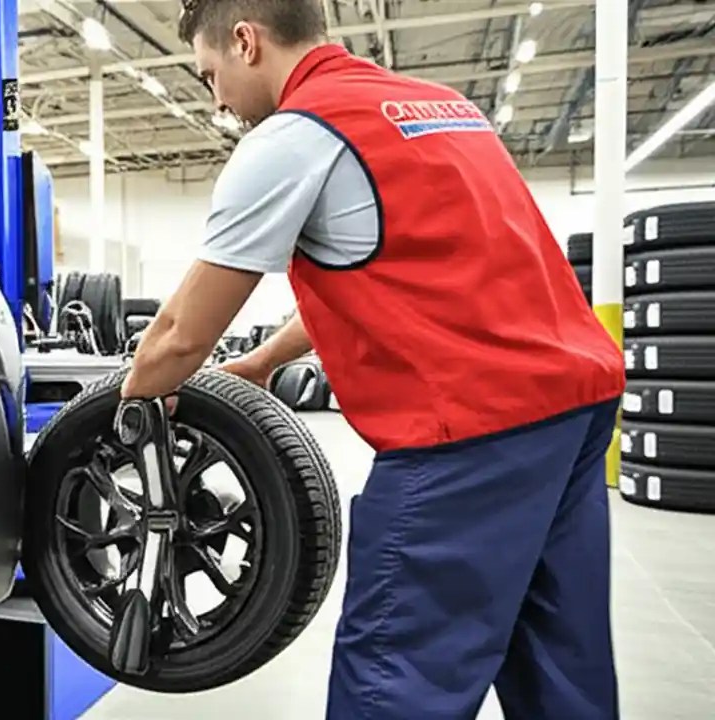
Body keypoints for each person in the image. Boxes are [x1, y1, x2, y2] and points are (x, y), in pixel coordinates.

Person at [119, 0, 626, 717]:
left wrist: (131, 402)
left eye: (210, 75)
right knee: (560, 666)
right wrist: (265, 361)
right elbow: (402, 274)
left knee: (396, 678)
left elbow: (180, 334)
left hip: (471, 433)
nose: (219, 100)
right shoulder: (438, 106)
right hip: (574, 409)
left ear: (245, 41)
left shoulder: (292, 137)